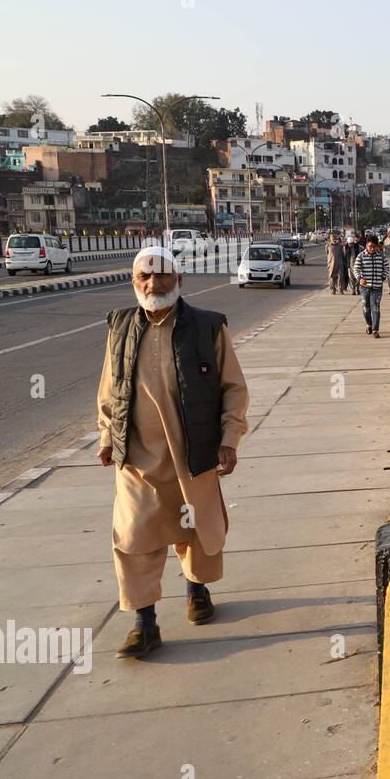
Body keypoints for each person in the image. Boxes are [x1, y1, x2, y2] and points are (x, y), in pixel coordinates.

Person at [96, 246, 250, 658]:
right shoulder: (121, 327)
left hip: (191, 456)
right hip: (138, 461)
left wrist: (229, 439)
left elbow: (233, 389)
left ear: (179, 280)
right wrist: (108, 438)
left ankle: (196, 590)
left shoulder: (207, 327)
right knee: (134, 538)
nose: (153, 284)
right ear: (133, 283)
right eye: (143, 277)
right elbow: (109, 391)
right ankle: (145, 623)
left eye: (162, 276)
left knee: (195, 531)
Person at [353, 233, 388, 338]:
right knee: (366, 308)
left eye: (374, 247)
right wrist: (360, 278)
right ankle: (369, 324)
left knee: (376, 308)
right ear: (366, 246)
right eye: (370, 246)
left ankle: (375, 330)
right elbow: (356, 269)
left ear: (377, 246)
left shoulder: (381, 256)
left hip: (377, 288)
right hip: (365, 288)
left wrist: (382, 277)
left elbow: (386, 268)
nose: (372, 249)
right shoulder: (361, 256)